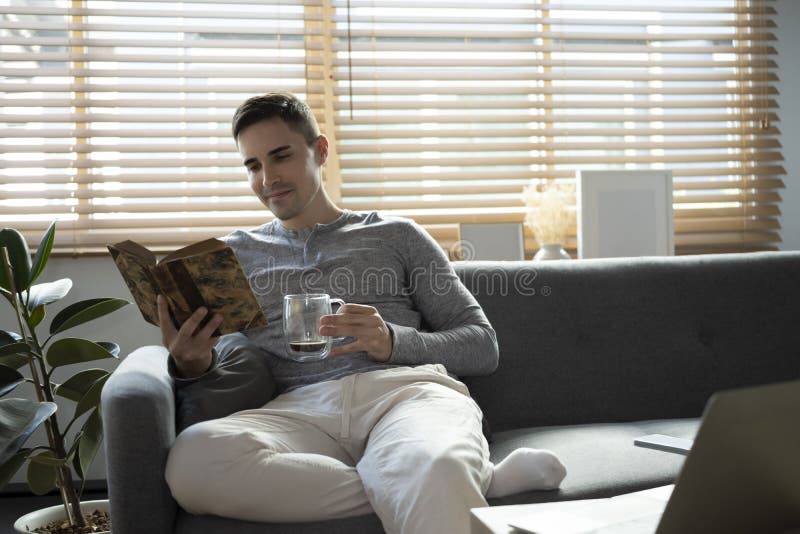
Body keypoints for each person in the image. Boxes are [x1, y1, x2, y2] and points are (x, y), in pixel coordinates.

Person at [161, 93, 566, 534]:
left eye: (280, 156)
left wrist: (393, 341)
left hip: (403, 395)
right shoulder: (232, 256)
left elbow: (482, 345)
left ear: (320, 152)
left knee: (434, 462)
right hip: (298, 411)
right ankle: (470, 478)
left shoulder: (396, 234)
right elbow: (225, 365)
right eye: (253, 166)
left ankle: (437, 472)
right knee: (193, 460)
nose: (267, 178)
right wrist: (192, 363)